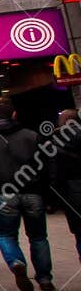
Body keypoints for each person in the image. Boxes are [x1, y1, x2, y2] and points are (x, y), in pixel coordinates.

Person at [0, 97, 53, 291]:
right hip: (32, 192)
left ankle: (16, 261)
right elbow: (45, 166)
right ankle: (45, 278)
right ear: (14, 114)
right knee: (39, 237)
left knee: (6, 235)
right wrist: (48, 195)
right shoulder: (32, 136)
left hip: (2, 193)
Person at [51, 108, 81, 267]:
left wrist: (53, 201)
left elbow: (55, 175)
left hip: (72, 193)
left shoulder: (55, 143)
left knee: (80, 233)